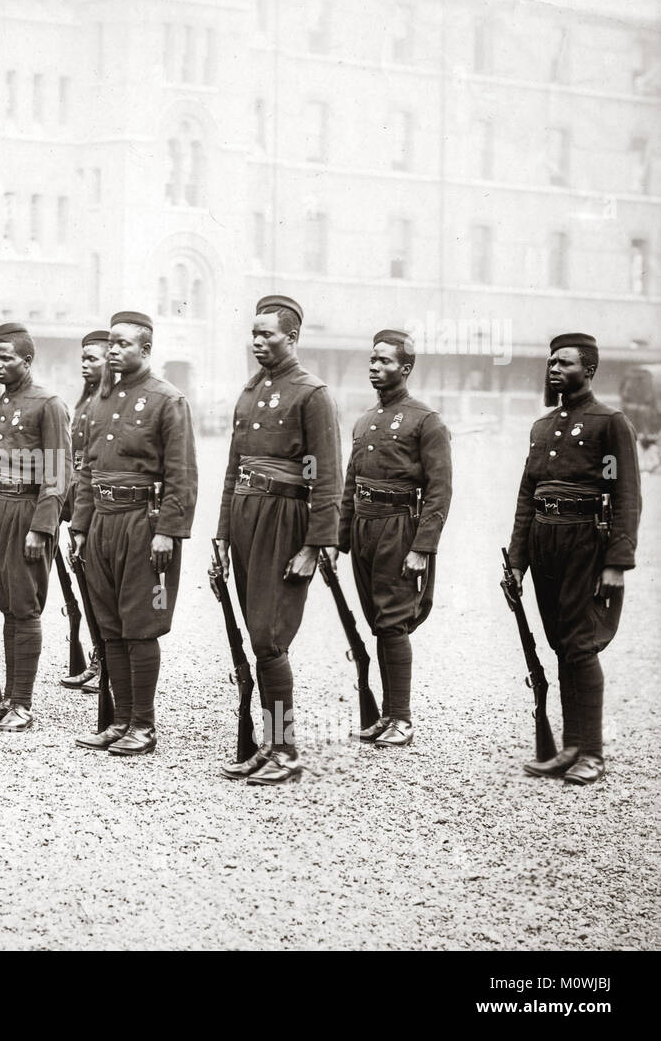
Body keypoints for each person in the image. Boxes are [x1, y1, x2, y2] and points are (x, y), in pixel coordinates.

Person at [214, 295, 341, 785]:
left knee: (270, 636)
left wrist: (314, 546)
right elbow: (232, 469)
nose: (257, 341)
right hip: (245, 516)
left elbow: (325, 476)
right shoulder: (250, 393)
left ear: (292, 338)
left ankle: (284, 749)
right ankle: (269, 745)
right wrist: (223, 534)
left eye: (267, 334)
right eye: (254, 333)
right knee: (256, 634)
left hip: (283, 519)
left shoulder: (311, 394)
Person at [507, 333, 641, 786]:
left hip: (587, 540)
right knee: (561, 643)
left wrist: (617, 562)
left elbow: (625, 495)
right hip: (546, 540)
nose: (553, 369)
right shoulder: (542, 426)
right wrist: (518, 559)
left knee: (581, 645)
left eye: (564, 363)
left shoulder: (610, 423)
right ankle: (570, 746)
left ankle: (594, 753)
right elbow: (528, 494)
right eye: (550, 363)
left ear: (589, 370)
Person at [70, 311, 198, 756]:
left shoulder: (167, 400)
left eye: (123, 344)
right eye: (111, 344)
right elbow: (88, 471)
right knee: (109, 625)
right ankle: (120, 719)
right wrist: (81, 526)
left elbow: (182, 473)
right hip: (103, 521)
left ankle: (143, 725)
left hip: (144, 526)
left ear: (145, 349)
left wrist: (169, 532)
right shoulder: (99, 402)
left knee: (141, 624)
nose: (113, 351)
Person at [338, 330, 453, 747]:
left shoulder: (426, 420)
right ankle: (385, 716)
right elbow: (352, 481)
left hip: (399, 525)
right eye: (372, 359)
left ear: (405, 369)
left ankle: (400, 718)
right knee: (376, 621)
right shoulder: (365, 420)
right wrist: (339, 538)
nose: (375, 366)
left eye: (385, 361)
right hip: (364, 525)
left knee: (392, 620)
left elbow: (440, 490)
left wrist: (423, 547)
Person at [0, 323, 71, 732]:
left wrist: (42, 528)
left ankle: (22, 702)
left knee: (24, 608)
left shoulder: (49, 404)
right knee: (7, 606)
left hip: (26, 512)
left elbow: (59, 472)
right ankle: (7, 697)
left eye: (7, 357)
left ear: (27, 360)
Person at [59, 329, 109, 691]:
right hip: (79, 502)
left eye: (92, 358)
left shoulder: (109, 404)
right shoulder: (83, 403)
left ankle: (107, 661)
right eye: (83, 358)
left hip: (99, 506)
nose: (84, 365)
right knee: (88, 586)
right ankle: (98, 655)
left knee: (103, 588)